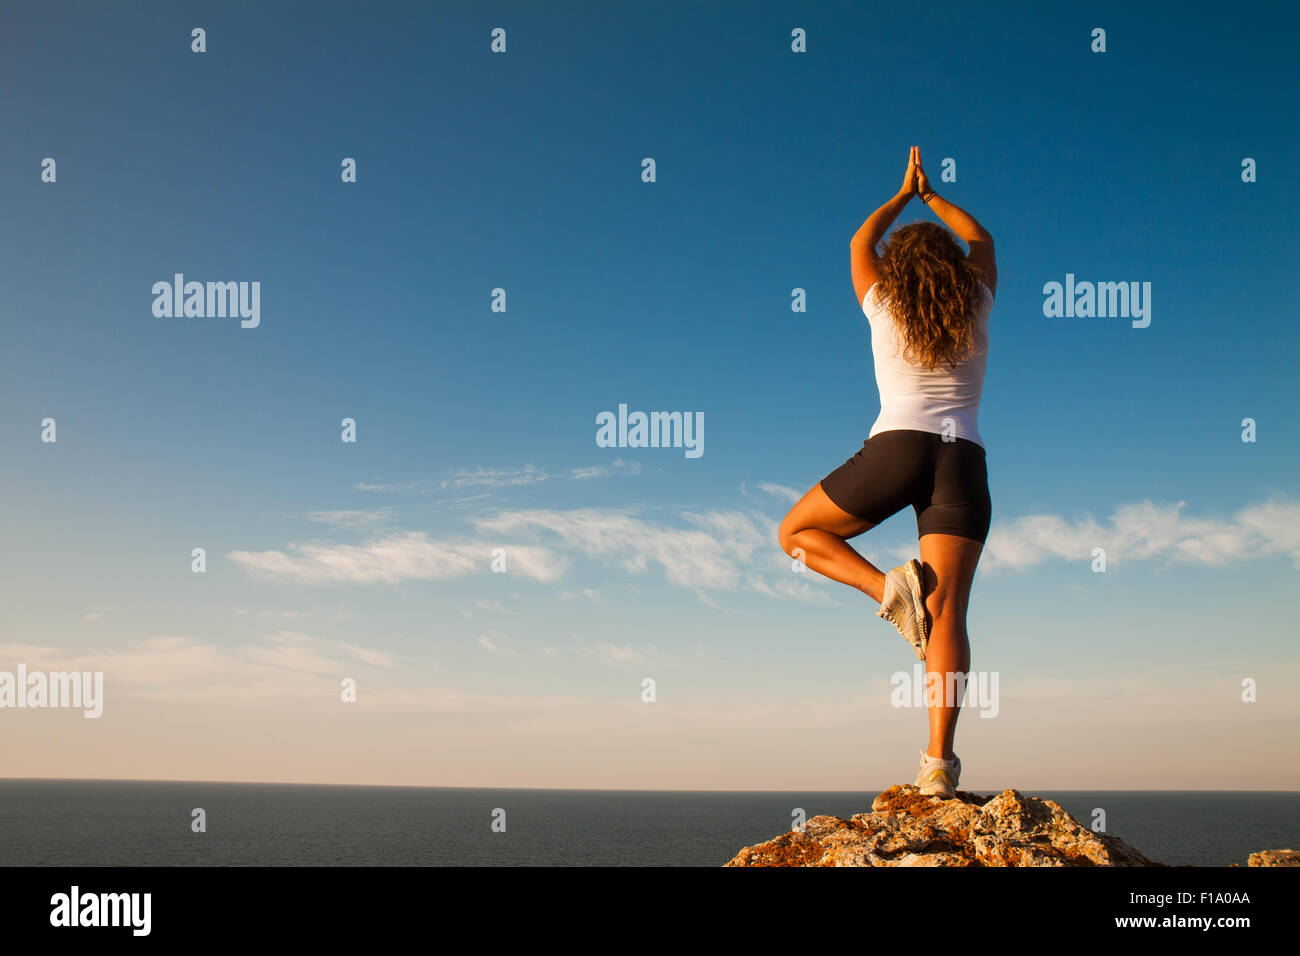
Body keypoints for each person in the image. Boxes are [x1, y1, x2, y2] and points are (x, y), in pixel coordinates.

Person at [777, 146, 996, 799]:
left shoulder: (880, 301)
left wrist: (903, 194)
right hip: (963, 460)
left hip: (897, 447)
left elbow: (859, 238)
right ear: (955, 268)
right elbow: (980, 236)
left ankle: (886, 592)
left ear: (895, 268)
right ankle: (938, 768)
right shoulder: (977, 299)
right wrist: (934, 199)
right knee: (950, 615)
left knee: (796, 533)